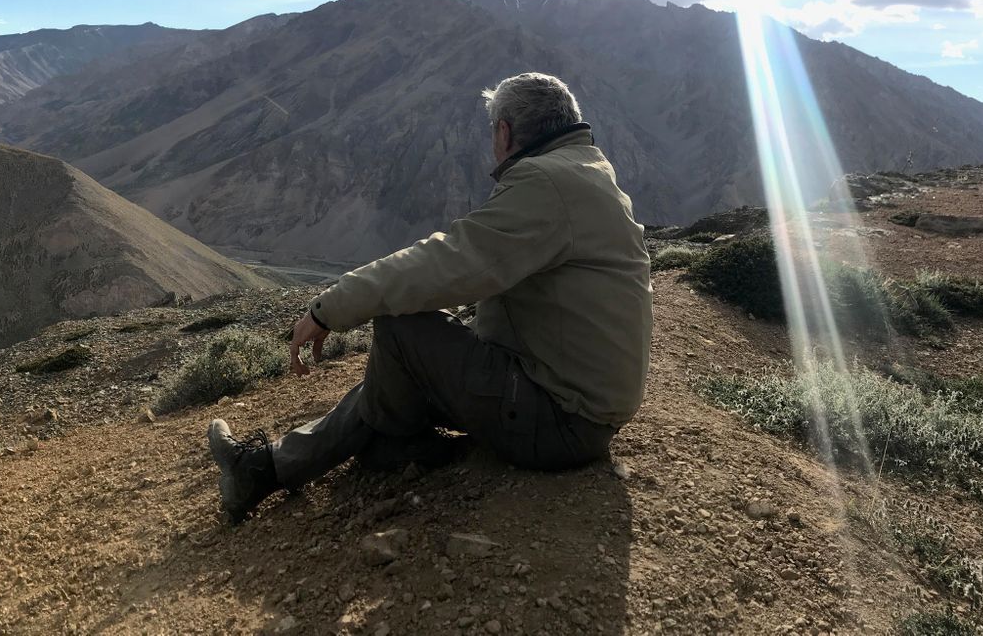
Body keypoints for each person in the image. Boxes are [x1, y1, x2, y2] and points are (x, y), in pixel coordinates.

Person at [206, 72, 652, 525]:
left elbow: (447, 262)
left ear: (504, 132)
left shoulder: (547, 183)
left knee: (401, 325)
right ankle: (265, 468)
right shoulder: (586, 172)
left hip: (559, 420)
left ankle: (379, 447)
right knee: (397, 371)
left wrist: (330, 307)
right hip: (573, 407)